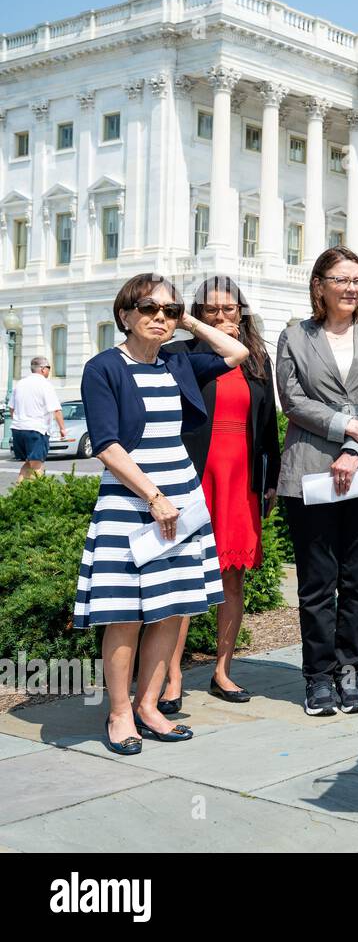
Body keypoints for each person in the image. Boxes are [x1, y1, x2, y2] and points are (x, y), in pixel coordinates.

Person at [74, 273, 249, 754]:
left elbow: (237, 354)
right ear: (125, 314)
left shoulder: (178, 361)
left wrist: (187, 319)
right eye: (148, 309)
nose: (158, 318)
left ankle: (149, 706)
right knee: (126, 614)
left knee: (171, 610)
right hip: (134, 502)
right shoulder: (104, 368)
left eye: (167, 311)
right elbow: (106, 444)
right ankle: (118, 713)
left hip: (182, 500)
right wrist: (153, 496)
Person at [276, 247, 358, 717]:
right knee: (316, 583)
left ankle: (349, 671)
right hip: (311, 469)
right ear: (320, 285)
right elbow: (291, 400)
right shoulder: (294, 337)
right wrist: (346, 427)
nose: (352, 287)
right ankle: (317, 678)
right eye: (342, 279)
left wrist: (354, 449)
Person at [157, 275, 281, 712]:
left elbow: (268, 428)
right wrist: (195, 330)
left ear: (241, 312)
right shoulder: (181, 356)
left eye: (230, 309)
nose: (223, 316)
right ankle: (171, 677)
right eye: (212, 310)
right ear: (197, 314)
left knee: (233, 578)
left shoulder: (257, 360)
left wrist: (271, 479)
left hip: (241, 480)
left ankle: (222, 671)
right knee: (185, 578)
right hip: (193, 477)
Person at [8, 356, 67, 481]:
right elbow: (56, 409)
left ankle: (18, 493)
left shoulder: (20, 383)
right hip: (36, 429)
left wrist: (19, 421)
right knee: (37, 466)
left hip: (18, 429)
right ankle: (40, 495)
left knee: (29, 463)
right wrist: (62, 429)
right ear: (43, 369)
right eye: (49, 368)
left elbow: (12, 408)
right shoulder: (45, 385)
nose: (49, 371)